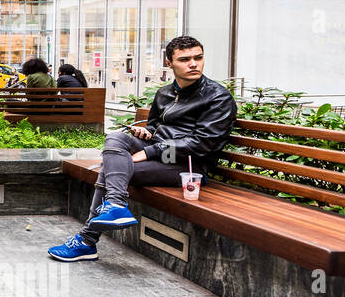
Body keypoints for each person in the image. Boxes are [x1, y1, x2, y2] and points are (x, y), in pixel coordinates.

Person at [48, 36, 237, 263]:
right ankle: (116, 205)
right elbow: (156, 126)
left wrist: (151, 151)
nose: (193, 64)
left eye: (198, 58)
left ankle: (87, 240)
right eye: (185, 59)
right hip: (161, 152)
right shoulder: (165, 93)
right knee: (117, 137)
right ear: (169, 63)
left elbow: (203, 144)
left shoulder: (217, 97)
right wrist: (147, 133)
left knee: (111, 170)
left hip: (187, 165)